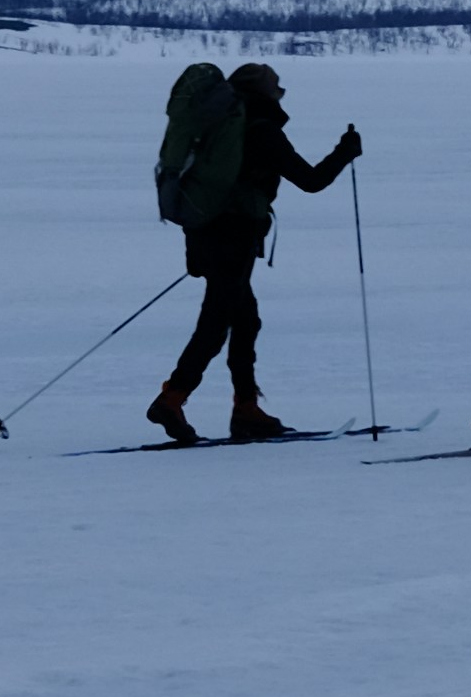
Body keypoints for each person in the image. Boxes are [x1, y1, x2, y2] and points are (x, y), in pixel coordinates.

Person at [151, 61, 361, 442]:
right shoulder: (262, 129)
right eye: (276, 89)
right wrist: (345, 152)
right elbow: (311, 181)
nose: (280, 95)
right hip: (234, 237)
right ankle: (175, 399)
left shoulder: (220, 126)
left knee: (242, 320)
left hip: (203, 231)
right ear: (264, 94)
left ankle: (243, 407)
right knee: (218, 323)